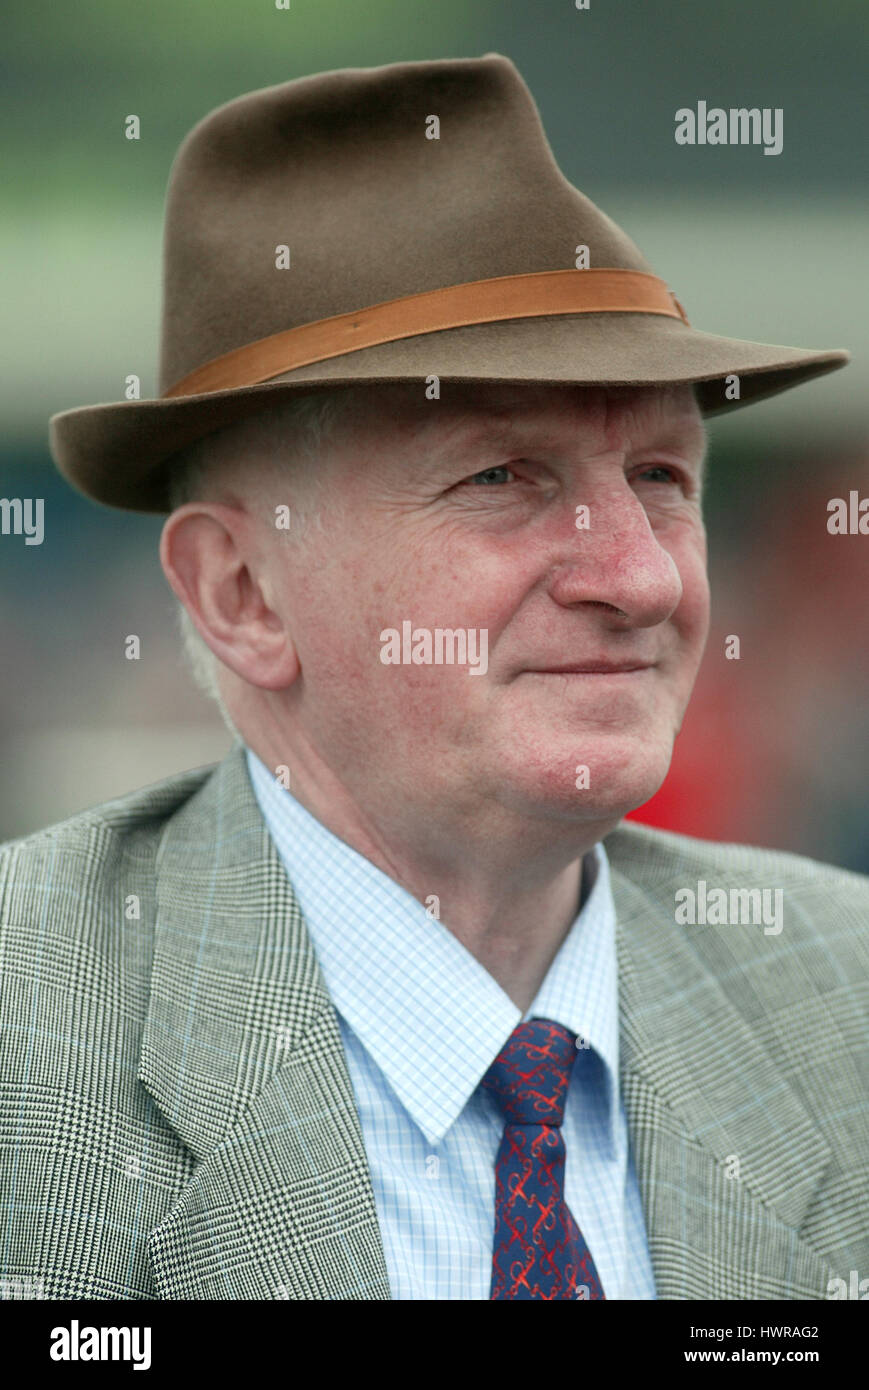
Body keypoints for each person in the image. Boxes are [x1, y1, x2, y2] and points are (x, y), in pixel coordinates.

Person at [1, 54, 865, 1302]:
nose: (640, 578)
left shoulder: (841, 996)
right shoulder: (31, 1045)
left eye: (663, 479)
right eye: (502, 476)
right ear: (242, 593)